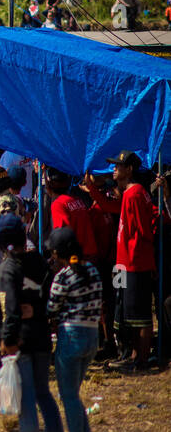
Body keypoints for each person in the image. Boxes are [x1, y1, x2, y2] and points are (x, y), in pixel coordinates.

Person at [0, 213, 63, 432]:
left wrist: (7, 340)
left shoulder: (7, 269)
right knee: (43, 392)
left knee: (25, 398)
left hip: (20, 340)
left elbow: (10, 308)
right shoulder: (40, 262)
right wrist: (38, 310)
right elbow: (49, 297)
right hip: (42, 336)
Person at [84, 151, 156, 371]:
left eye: (118, 166)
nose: (114, 169)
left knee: (139, 315)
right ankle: (131, 355)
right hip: (123, 263)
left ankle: (140, 360)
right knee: (124, 309)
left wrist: (139, 259)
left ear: (130, 169)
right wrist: (92, 189)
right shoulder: (129, 194)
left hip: (133, 263)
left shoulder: (134, 194)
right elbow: (109, 207)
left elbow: (144, 231)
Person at [46, 226, 103, 432]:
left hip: (71, 336)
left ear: (59, 254)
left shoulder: (63, 276)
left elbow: (52, 308)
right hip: (92, 336)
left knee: (68, 395)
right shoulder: (93, 270)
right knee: (73, 394)